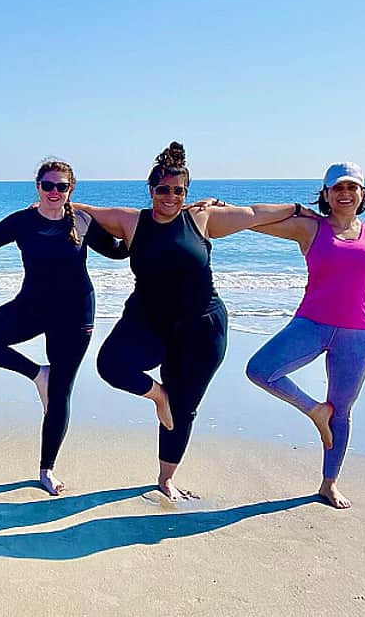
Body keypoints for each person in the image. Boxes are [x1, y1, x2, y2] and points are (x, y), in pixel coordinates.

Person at [78, 142, 317, 501]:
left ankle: (165, 478)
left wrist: (298, 208)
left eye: (178, 190)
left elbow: (255, 213)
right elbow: (82, 209)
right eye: (163, 190)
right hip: (148, 320)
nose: (170, 197)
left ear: (186, 193)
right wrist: (46, 201)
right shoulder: (131, 221)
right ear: (151, 190)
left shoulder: (202, 219)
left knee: (185, 405)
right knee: (110, 365)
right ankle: (159, 396)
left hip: (202, 326)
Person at [244, 162, 365, 508]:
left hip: (359, 333)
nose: (345, 193)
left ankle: (329, 484)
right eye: (337, 187)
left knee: (342, 409)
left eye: (351, 187)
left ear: (362, 194)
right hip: (311, 324)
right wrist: (286, 210)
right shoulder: (310, 229)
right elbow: (255, 220)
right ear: (325, 194)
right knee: (259, 369)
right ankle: (314, 411)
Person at [0, 158, 128, 495]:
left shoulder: (81, 221)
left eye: (61, 186)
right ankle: (38, 373)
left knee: (60, 393)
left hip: (76, 314)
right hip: (31, 308)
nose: (54, 191)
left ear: (71, 190)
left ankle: (47, 468)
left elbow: (117, 253)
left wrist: (147, 226)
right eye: (48, 185)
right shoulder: (23, 221)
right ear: (38, 187)